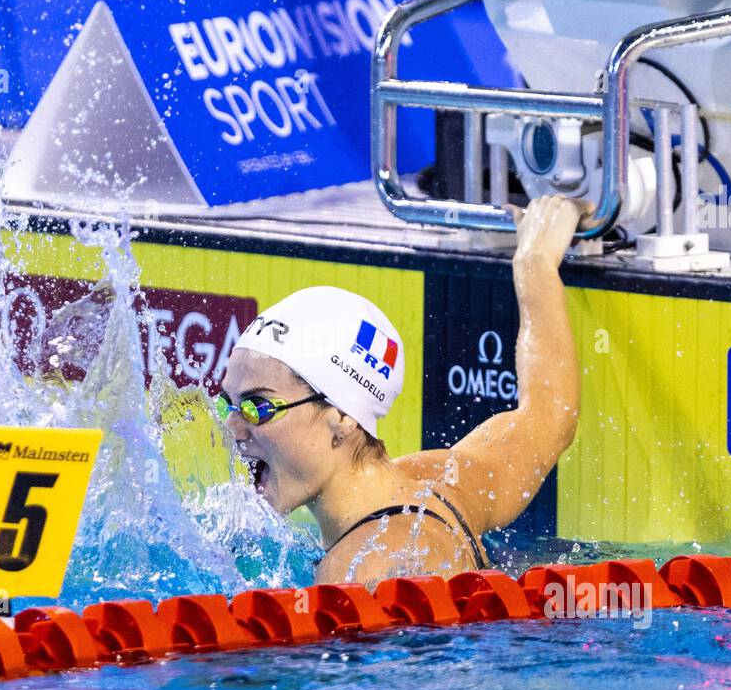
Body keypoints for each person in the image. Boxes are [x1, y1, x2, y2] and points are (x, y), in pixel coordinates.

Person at [216, 196, 581, 586]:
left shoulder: (356, 572)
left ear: (342, 417)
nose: (233, 429)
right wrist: (535, 264)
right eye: (231, 405)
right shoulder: (441, 484)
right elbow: (551, 415)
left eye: (259, 407)